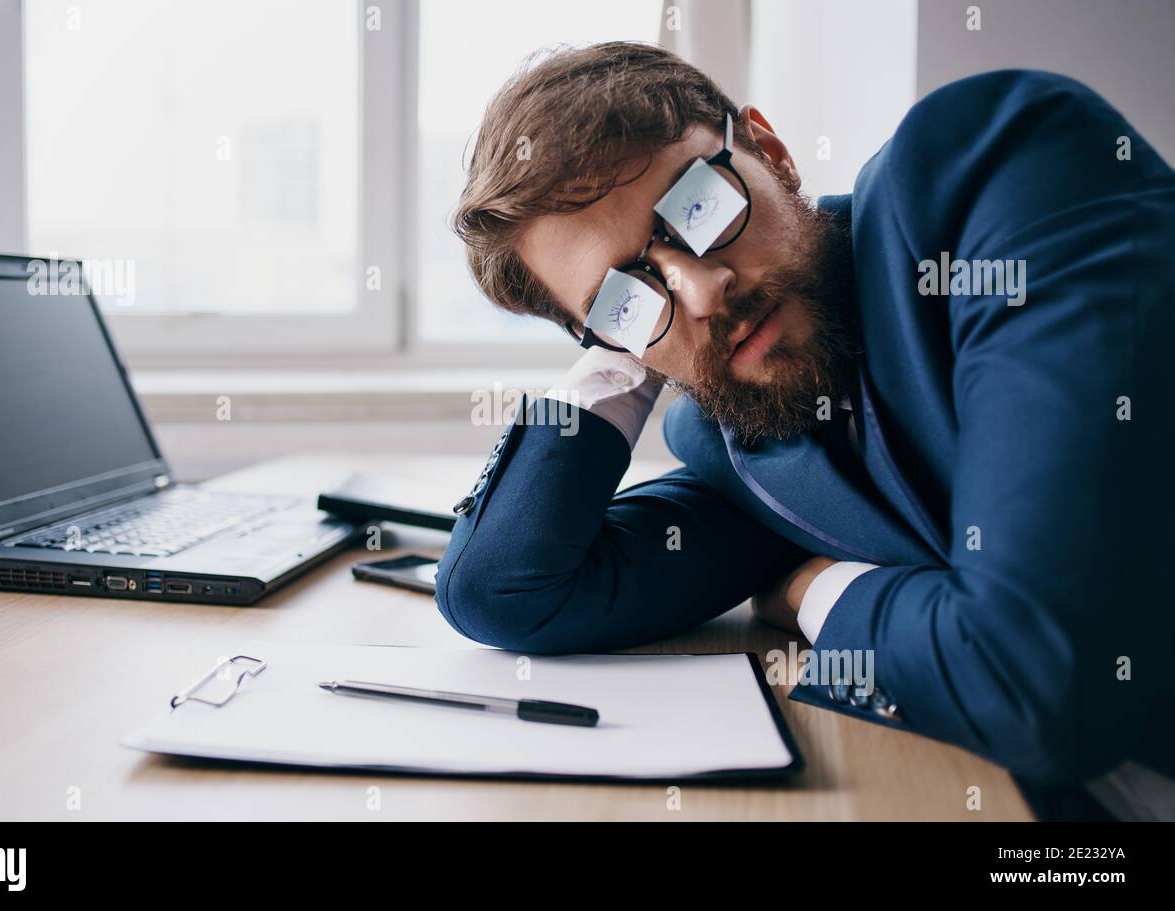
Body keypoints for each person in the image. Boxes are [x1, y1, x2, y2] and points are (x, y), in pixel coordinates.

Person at [437, 42, 1175, 819]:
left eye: (698, 207)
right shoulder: (746, 443)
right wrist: (627, 347)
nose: (706, 289)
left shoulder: (986, 177)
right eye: (626, 297)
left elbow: (1045, 690)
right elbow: (502, 590)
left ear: (771, 152)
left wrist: (815, 590)